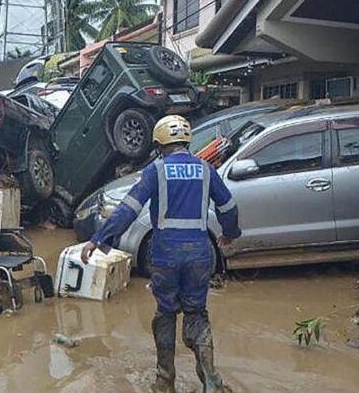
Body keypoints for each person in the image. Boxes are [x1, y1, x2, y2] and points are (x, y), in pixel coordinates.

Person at [81, 115, 241, 393]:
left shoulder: (156, 170)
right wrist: (230, 232)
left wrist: (99, 238)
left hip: (165, 254)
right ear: (186, 140)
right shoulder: (205, 169)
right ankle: (212, 384)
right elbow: (228, 207)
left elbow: (128, 209)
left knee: (166, 314)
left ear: (160, 143)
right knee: (197, 314)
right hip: (200, 254)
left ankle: (164, 382)